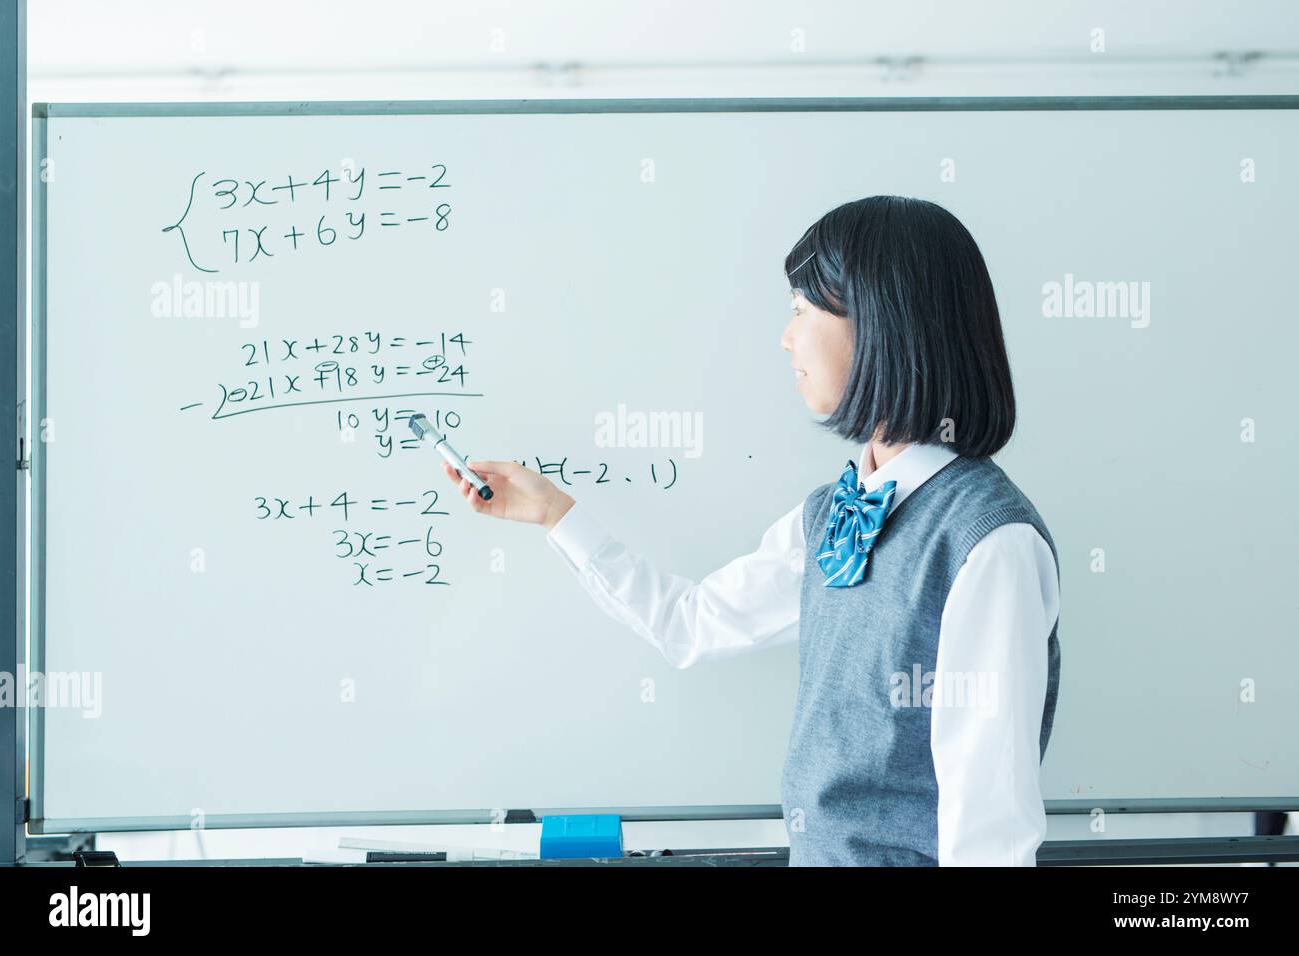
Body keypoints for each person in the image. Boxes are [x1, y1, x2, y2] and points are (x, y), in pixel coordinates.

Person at [442, 195, 1061, 866]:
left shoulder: (989, 542)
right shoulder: (832, 513)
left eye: (801, 311)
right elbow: (691, 623)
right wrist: (554, 514)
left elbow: (989, 833)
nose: (785, 337)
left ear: (881, 322)